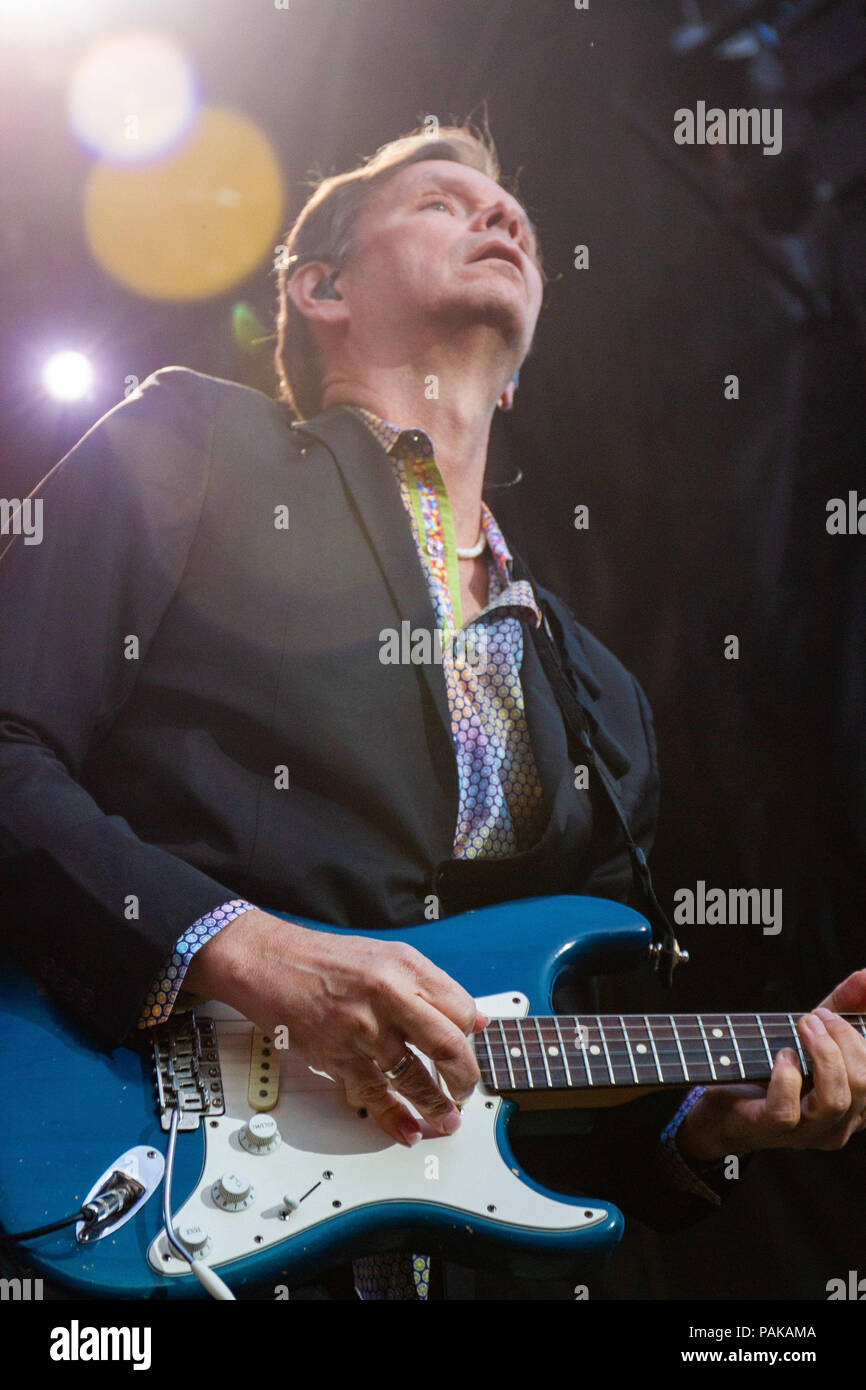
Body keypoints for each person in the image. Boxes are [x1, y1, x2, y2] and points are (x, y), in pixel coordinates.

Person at [1, 119, 864, 1301]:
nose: (502, 216)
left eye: (511, 212)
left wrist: (705, 1124)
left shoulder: (600, 694)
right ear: (320, 288)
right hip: (118, 1172)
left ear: (518, 372)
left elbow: (556, 1105)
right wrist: (236, 949)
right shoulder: (192, 441)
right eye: (441, 202)